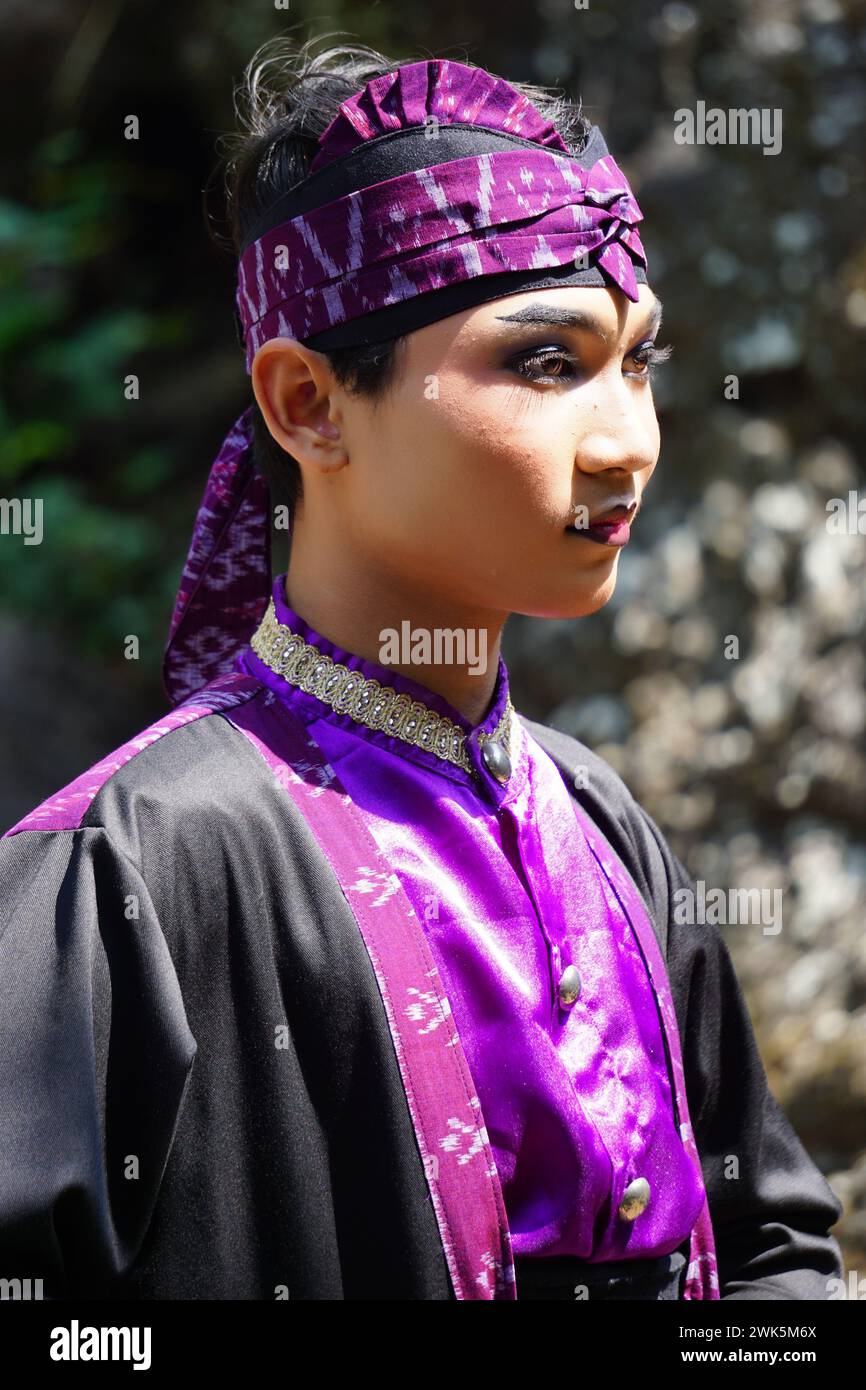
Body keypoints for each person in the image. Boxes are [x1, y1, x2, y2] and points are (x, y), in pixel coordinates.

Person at [0, 37, 844, 1302]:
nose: (624, 442)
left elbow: (771, 1248)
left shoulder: (599, 826)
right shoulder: (128, 869)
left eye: (640, 362)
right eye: (546, 362)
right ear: (307, 403)